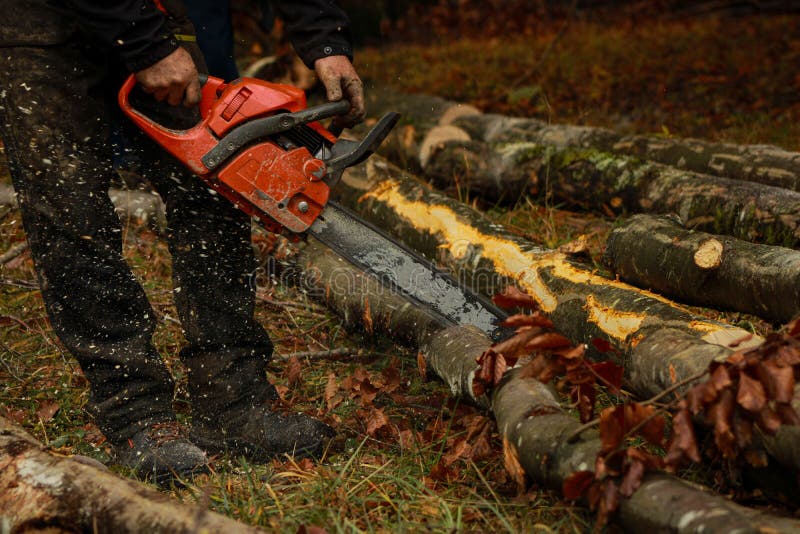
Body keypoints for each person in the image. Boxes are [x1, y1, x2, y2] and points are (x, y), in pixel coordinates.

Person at [0, 0, 365, 485]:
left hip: (162, 10)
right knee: (69, 211)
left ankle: (231, 399)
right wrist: (143, 42)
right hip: (39, 25)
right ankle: (134, 411)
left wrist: (323, 39)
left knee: (219, 179)